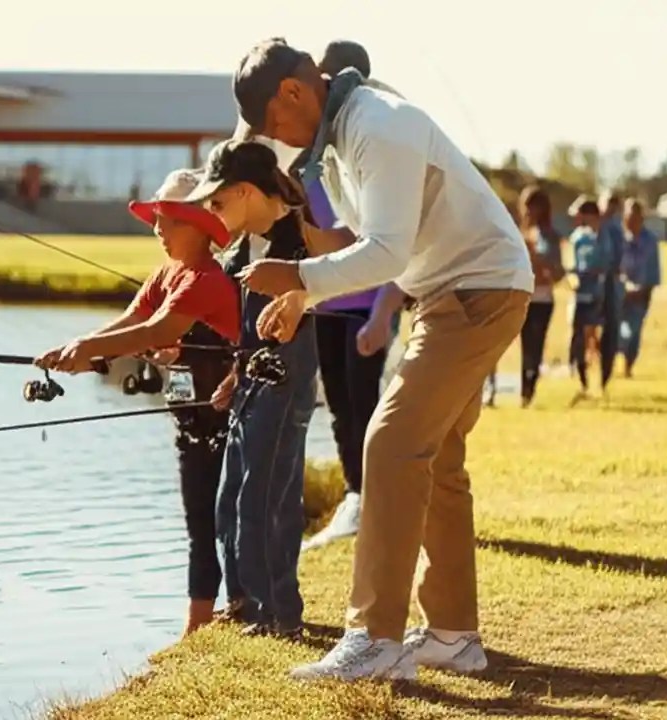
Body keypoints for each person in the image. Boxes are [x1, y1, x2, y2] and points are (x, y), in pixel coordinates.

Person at [223, 38, 533, 681]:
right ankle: (451, 634)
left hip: (478, 290)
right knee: (436, 458)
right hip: (454, 293)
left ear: (294, 94)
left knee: (390, 444)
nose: (277, 137)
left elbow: (386, 254)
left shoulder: (379, 124)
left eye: (274, 124)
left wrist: (294, 275)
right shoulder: (340, 140)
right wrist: (301, 295)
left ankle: (375, 640)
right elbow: (360, 240)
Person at [34, 168, 239, 638]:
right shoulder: (168, 274)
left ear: (193, 224)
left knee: (217, 522)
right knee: (198, 524)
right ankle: (206, 622)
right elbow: (133, 318)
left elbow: (156, 332)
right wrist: (78, 347)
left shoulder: (204, 278)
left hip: (225, 419)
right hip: (189, 419)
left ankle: (215, 620)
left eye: (164, 220)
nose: (157, 229)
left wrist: (88, 352)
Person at [183, 138, 321, 639]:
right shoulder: (242, 250)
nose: (213, 215)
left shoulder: (296, 245)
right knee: (229, 499)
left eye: (216, 203)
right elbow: (245, 333)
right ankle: (243, 603)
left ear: (244, 192)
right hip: (249, 387)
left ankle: (278, 615)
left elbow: (291, 327)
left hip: (286, 389)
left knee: (264, 499)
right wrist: (233, 377)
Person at [302, 38, 403, 550]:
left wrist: (383, 313)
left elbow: (390, 236)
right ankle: (355, 495)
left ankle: (376, 497)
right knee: (339, 405)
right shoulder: (320, 151)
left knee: (365, 402)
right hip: (326, 300)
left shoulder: (370, 138)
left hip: (366, 304)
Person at [518, 185, 566, 406]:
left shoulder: (551, 237)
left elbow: (557, 272)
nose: (528, 211)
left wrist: (538, 259)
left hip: (543, 298)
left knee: (535, 345)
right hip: (522, 298)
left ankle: (529, 390)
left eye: (531, 206)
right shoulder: (519, 234)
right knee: (524, 346)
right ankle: (523, 389)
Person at [567, 196, 609, 401]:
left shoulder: (602, 237)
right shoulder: (577, 237)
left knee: (593, 336)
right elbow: (572, 265)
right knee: (578, 337)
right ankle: (582, 380)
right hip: (579, 294)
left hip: (597, 294)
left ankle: (601, 378)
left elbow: (607, 263)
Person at [619, 198, 662, 378]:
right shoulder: (619, 239)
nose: (631, 221)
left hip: (640, 295)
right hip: (619, 293)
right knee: (616, 331)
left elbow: (652, 270)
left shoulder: (650, 241)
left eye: (635, 218)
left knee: (633, 332)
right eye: (628, 217)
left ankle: (628, 366)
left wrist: (642, 290)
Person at [597, 190, 627, 393]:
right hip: (592, 284)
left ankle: (605, 376)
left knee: (611, 329)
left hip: (609, 285)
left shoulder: (616, 229)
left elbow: (618, 260)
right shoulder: (593, 224)